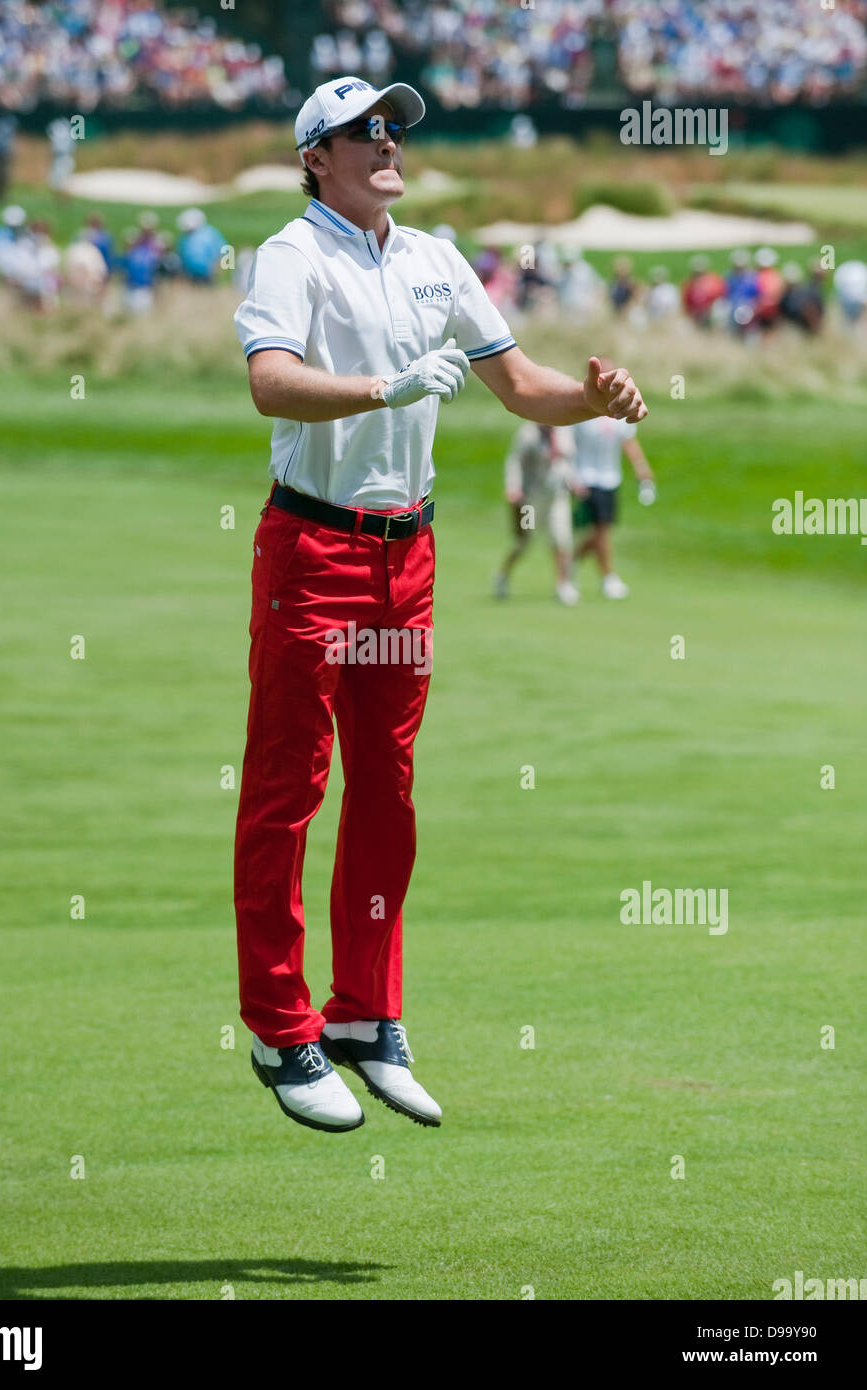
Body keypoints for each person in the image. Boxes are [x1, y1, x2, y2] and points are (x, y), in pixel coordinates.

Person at [231, 74, 647, 1134]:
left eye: (392, 128)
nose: (385, 144)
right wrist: (386, 388)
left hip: (403, 557)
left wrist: (591, 398)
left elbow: (520, 384)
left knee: (388, 790)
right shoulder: (292, 254)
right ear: (315, 155)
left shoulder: (432, 256)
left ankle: (366, 1017)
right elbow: (271, 381)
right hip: (313, 544)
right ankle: (284, 1030)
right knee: (288, 788)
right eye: (360, 132)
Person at [559, 363, 654, 599]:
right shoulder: (583, 410)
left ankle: (570, 565)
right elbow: (567, 446)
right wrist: (571, 477)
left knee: (600, 531)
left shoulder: (617, 411)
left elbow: (628, 442)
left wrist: (641, 467)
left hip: (610, 478)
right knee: (601, 531)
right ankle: (608, 578)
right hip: (585, 477)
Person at [493, 422, 582, 605]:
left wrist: (574, 482)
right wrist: (513, 487)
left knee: (561, 539)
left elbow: (568, 461)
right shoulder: (528, 434)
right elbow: (515, 461)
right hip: (530, 499)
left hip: (557, 496)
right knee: (524, 541)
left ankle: (563, 585)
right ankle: (502, 575)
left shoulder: (564, 431)